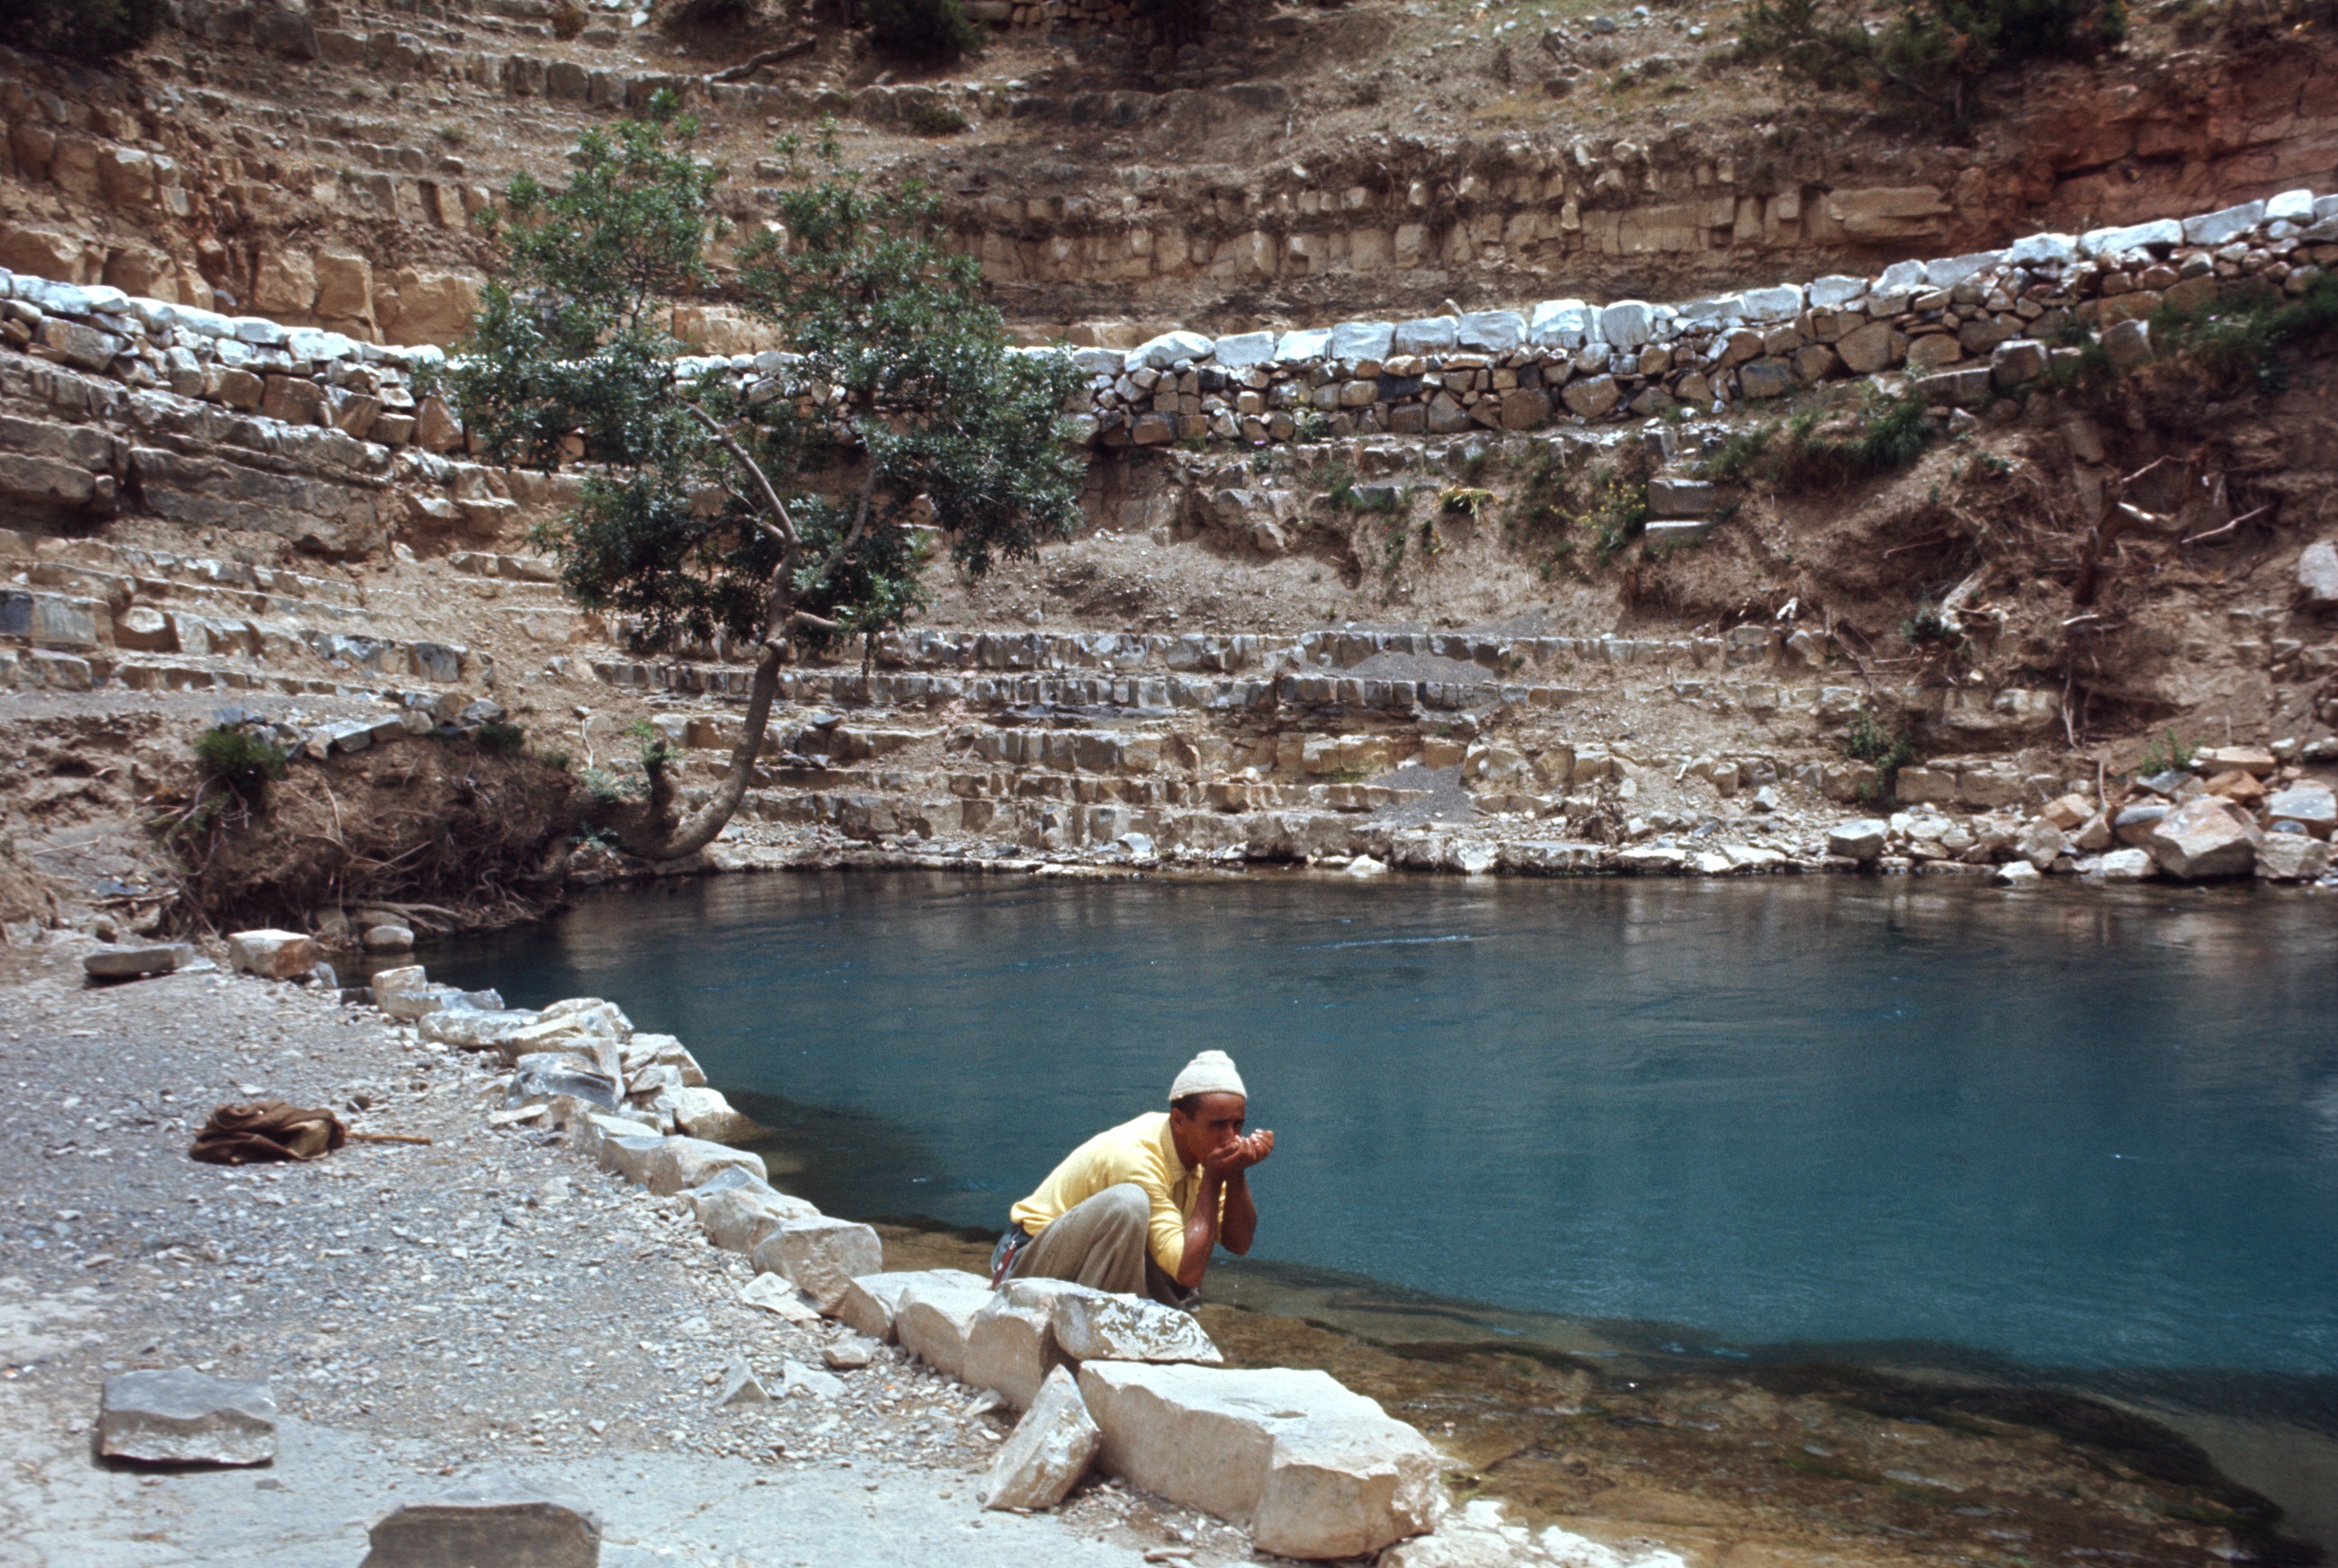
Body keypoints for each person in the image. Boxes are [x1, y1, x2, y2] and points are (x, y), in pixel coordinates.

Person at [991, 1049, 1275, 1307]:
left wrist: (1236, 1170)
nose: (1231, 1138)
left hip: (1088, 1261)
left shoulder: (1207, 1150)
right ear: (1178, 1121)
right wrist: (1214, 1178)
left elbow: (1239, 1244)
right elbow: (1188, 1272)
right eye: (1218, 1125)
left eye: (1238, 1125)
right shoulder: (1136, 1155)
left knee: (1173, 1264)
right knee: (1129, 1203)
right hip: (1027, 1260)